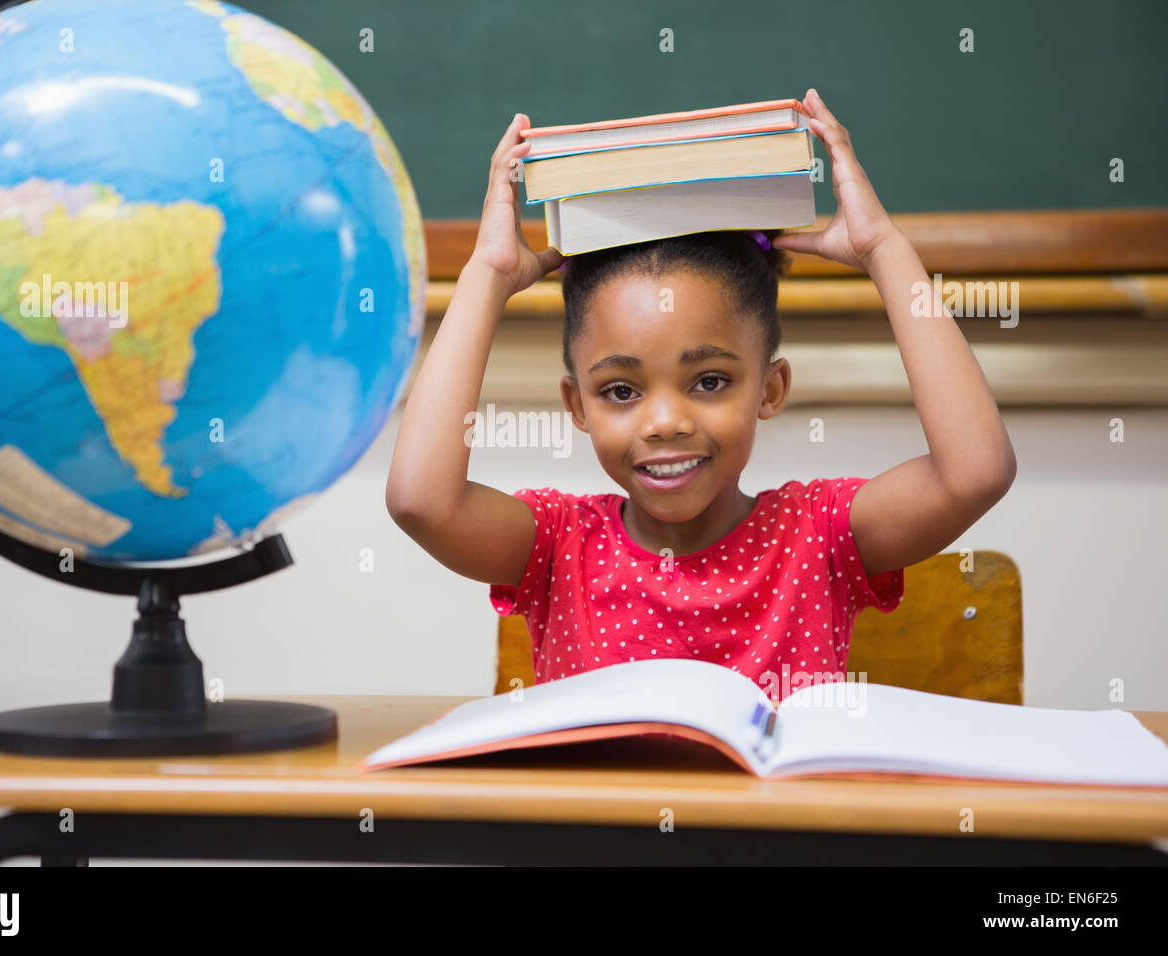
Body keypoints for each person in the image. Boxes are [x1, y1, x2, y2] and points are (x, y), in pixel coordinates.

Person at [385, 88, 1016, 704]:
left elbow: (975, 473)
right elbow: (421, 501)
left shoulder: (818, 537)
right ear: (576, 406)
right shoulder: (557, 547)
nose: (665, 422)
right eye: (620, 390)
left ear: (770, 389)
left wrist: (886, 251)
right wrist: (486, 276)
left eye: (709, 381)